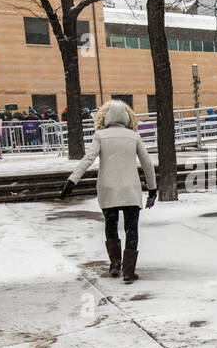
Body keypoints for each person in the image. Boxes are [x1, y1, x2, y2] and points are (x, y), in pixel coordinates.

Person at [59, 100, 156, 282]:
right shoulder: (133, 136)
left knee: (111, 226)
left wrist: (72, 181)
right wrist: (152, 189)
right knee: (131, 229)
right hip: (130, 190)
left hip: (108, 188)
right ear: (128, 117)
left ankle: (114, 264)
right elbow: (147, 163)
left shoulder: (100, 135)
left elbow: (88, 159)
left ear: (106, 116)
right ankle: (128, 271)